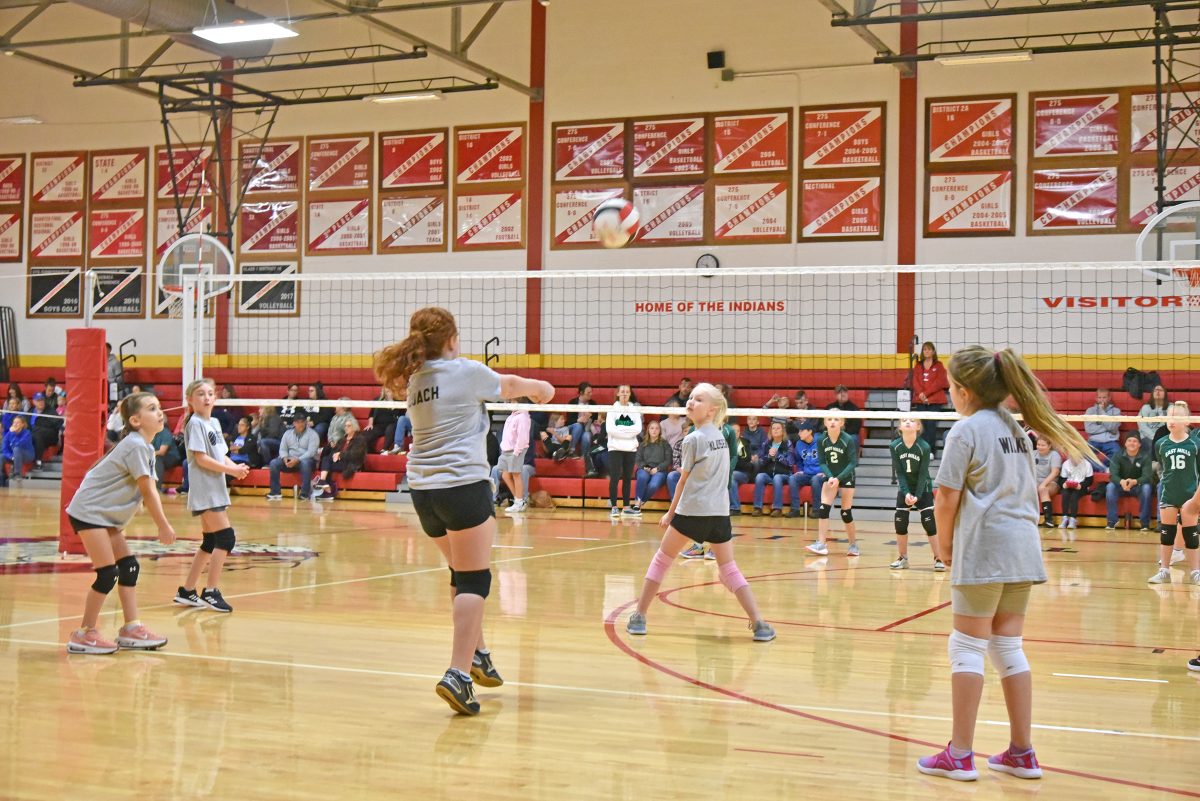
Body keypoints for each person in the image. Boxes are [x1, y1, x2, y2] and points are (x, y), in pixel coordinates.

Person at [916, 346, 1091, 782]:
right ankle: (1021, 752)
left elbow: (945, 496)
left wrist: (944, 547)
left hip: (987, 547)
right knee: (1007, 647)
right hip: (1022, 546)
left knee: (967, 646)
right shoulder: (1014, 425)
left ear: (961, 390)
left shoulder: (966, 430)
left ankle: (959, 755)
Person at [374, 306, 553, 716]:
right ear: (451, 339)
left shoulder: (416, 380)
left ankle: (479, 653)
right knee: (475, 579)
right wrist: (541, 387)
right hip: (462, 486)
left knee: (460, 573)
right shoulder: (463, 371)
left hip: (424, 493)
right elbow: (508, 385)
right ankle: (458, 672)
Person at [625, 382, 775, 642]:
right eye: (691, 398)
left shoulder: (692, 439)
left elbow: (682, 480)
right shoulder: (721, 436)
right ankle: (759, 623)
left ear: (712, 409)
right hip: (719, 514)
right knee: (728, 569)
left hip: (692, 512)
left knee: (662, 560)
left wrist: (670, 514)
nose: (691, 402)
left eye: (699, 400)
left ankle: (639, 617)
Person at [63, 392, 177, 654]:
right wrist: (163, 525)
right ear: (136, 420)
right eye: (152, 408)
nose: (160, 412)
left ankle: (131, 628)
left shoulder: (143, 446)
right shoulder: (136, 445)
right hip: (89, 512)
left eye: (160, 407)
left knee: (130, 567)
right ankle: (84, 633)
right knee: (108, 574)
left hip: (103, 514)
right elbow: (149, 492)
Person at [173, 378, 250, 614]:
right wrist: (231, 470)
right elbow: (200, 459)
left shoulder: (214, 422)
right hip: (205, 488)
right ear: (190, 400)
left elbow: (220, 454)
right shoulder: (195, 423)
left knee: (209, 542)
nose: (206, 398)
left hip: (216, 487)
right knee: (226, 539)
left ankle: (186, 591)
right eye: (200, 394)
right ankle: (211, 592)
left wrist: (235, 469)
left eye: (210, 393)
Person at [1149, 402, 1200, 585]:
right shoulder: (1161, 444)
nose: (1171, 421)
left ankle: (1196, 572)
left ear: (1186, 420)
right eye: (1169, 417)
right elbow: (1164, 469)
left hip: (1190, 496)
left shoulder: (1195, 443)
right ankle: (1164, 571)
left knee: (1191, 535)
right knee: (1167, 534)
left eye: (1176, 417)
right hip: (1169, 494)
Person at [889, 418, 943, 571]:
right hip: (905, 488)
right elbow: (899, 473)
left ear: (918, 426)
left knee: (929, 523)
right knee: (900, 522)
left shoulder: (924, 447)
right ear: (899, 426)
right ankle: (903, 558)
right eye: (904, 420)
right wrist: (906, 493)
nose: (907, 422)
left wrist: (917, 496)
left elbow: (922, 474)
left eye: (912, 421)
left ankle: (938, 558)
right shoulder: (894, 446)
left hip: (923, 488)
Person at [805, 416, 859, 556]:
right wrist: (830, 477)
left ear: (842, 423)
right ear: (825, 422)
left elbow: (853, 463)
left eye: (836, 419)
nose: (833, 421)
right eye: (830, 419)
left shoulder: (848, 439)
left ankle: (853, 545)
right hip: (831, 476)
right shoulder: (821, 439)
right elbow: (822, 462)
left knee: (845, 512)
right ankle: (821, 544)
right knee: (823, 509)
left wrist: (838, 478)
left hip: (846, 476)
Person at [606, 384, 643, 517]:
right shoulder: (612, 410)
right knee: (615, 478)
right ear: (617, 394)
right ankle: (614, 507)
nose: (624, 394)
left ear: (630, 394)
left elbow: (638, 429)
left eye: (627, 392)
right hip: (615, 448)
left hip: (630, 449)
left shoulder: (634, 410)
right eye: (622, 392)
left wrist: (621, 431)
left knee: (627, 478)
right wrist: (628, 432)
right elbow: (610, 430)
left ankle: (626, 506)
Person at [1105, 433, 1154, 531]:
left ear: (1139, 444)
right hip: (1121, 485)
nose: (1132, 443)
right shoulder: (1117, 455)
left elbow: (1147, 476)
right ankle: (1112, 521)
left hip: (1138, 485)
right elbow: (1113, 475)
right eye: (1129, 441)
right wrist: (1121, 481)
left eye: (1135, 441)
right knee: (1110, 487)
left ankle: (1144, 523)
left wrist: (1135, 481)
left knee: (1147, 488)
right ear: (1125, 443)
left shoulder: (1145, 457)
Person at [314, 418, 367, 501]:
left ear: (354, 427)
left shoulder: (360, 439)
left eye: (349, 426)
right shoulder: (343, 439)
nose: (346, 428)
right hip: (340, 462)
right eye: (345, 426)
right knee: (326, 459)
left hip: (351, 464)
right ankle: (323, 482)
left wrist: (341, 454)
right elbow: (334, 453)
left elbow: (355, 455)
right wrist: (334, 455)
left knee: (327, 464)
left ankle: (327, 491)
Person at [267, 416, 319, 501]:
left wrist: (297, 459)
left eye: (302, 422)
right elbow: (283, 449)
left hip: (307, 460)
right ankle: (275, 492)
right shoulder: (287, 433)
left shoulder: (313, 434)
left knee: (305, 463)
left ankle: (305, 494)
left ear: (305, 422)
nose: (301, 424)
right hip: (290, 459)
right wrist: (285, 459)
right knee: (274, 463)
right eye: (298, 422)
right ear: (294, 423)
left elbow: (311, 452)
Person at [911, 341, 949, 455]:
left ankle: (930, 451)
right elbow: (915, 382)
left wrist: (926, 394)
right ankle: (921, 450)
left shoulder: (939, 365)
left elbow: (940, 382)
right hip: (920, 400)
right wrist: (921, 394)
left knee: (931, 425)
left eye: (929, 349)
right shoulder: (918, 366)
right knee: (921, 425)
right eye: (924, 349)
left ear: (933, 351)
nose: (927, 351)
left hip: (935, 400)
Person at [752, 421, 793, 517]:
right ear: (770, 431)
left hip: (784, 474)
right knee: (759, 476)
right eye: (773, 428)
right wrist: (768, 456)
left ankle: (777, 508)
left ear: (783, 431)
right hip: (769, 474)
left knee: (777, 478)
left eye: (778, 428)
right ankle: (757, 508)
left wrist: (778, 456)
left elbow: (790, 462)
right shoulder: (766, 444)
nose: (775, 430)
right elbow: (761, 461)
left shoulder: (788, 444)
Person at [497, 402, 532, 513]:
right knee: (505, 475)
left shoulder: (523, 417)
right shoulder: (511, 416)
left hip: (515, 450)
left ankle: (519, 501)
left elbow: (522, 436)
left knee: (516, 475)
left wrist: (517, 451)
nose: (509, 403)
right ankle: (519, 500)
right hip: (506, 450)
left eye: (512, 401)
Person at [634, 419, 672, 513]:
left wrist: (658, 468)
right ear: (648, 430)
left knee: (654, 485)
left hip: (660, 471)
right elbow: (638, 459)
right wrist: (645, 467)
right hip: (645, 469)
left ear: (660, 431)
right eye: (652, 428)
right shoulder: (643, 444)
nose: (654, 430)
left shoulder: (665, 444)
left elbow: (668, 460)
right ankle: (636, 503)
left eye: (657, 428)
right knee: (642, 476)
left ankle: (641, 502)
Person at [787, 426, 823, 519]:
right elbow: (798, 460)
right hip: (806, 474)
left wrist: (824, 471)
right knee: (792, 478)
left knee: (815, 480)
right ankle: (795, 509)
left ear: (810, 431)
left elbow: (828, 459)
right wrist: (800, 470)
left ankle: (817, 510)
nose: (799, 433)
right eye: (799, 431)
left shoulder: (821, 441)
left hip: (820, 474)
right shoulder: (799, 444)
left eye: (802, 430)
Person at [1083, 388, 1121, 464]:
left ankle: (1101, 467)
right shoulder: (1090, 411)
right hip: (1094, 441)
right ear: (1096, 399)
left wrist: (1102, 411)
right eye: (1099, 397)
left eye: (1104, 397)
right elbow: (1089, 429)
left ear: (1109, 398)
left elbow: (1112, 428)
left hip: (1110, 441)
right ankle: (1103, 469)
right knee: (1084, 455)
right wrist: (1107, 427)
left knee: (1118, 454)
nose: (1102, 400)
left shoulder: (1116, 411)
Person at [1057, 455, 1093, 530]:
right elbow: (1062, 479)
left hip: (1081, 486)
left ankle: (1073, 519)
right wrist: (1064, 484)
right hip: (1069, 485)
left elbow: (1089, 480)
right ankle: (1065, 518)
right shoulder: (1066, 464)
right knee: (1065, 494)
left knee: (1074, 495)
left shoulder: (1087, 464)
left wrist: (1081, 485)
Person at [1033, 436, 1062, 527]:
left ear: (1049, 446)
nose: (1039, 447)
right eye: (1038, 445)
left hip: (1051, 482)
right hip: (1035, 481)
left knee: (1043, 489)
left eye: (1043, 445)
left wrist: (1043, 484)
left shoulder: (1054, 455)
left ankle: (1049, 520)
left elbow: (1055, 472)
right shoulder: (1033, 453)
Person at [28, 392, 62, 467]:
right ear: (34, 402)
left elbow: (59, 423)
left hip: (50, 436)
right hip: (34, 435)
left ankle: (38, 460)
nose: (41, 402)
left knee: (38, 432)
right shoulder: (30, 412)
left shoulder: (50, 411)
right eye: (38, 400)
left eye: (42, 400)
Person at [728, 421, 755, 517]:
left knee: (731, 476)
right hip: (729, 471)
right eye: (733, 431)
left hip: (744, 473)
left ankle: (735, 508)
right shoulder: (724, 443)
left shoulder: (745, 443)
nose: (736, 433)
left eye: (738, 431)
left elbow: (746, 462)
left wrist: (733, 461)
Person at [0, 416, 35, 486]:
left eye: (18, 422)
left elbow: (19, 444)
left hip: (27, 455)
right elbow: (4, 449)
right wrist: (11, 456)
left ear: (23, 424)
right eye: (14, 422)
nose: (15, 424)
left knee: (16, 449)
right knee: (1, 456)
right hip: (14, 455)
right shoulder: (8, 434)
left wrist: (13, 433)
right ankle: (1, 477)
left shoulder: (27, 433)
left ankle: (17, 474)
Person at [150, 421, 181, 494]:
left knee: (157, 459)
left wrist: (148, 454)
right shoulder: (150, 433)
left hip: (171, 457)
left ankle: (157, 488)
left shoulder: (165, 433)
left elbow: (162, 451)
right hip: (157, 455)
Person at [1138, 384, 1169, 453]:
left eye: (1160, 390)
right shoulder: (1145, 407)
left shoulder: (1171, 407)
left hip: (1164, 437)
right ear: (1152, 394)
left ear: (1165, 394)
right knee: (1151, 445)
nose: (1158, 392)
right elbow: (1142, 426)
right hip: (1147, 437)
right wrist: (1154, 437)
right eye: (1156, 390)